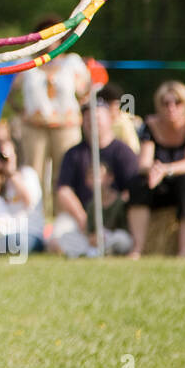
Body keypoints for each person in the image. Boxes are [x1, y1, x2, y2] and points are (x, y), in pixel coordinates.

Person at [127, 81, 185, 258]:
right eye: (166, 103)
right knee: (139, 184)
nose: (171, 107)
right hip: (161, 184)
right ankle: (137, 248)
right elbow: (143, 163)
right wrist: (154, 171)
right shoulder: (149, 126)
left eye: (177, 102)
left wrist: (165, 169)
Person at [14, 20, 91, 213]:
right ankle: (34, 218)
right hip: (34, 127)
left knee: (64, 175)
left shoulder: (72, 62)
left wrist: (79, 111)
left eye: (53, 35)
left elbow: (86, 91)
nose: (49, 41)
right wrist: (21, 111)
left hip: (66, 127)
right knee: (33, 173)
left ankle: (64, 218)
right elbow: (10, 92)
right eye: (45, 35)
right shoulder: (28, 63)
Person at [50, 89, 140, 252]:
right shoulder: (73, 153)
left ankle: (97, 248)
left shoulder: (123, 152)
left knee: (123, 240)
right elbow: (64, 190)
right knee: (58, 237)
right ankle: (89, 249)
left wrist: (110, 215)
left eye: (97, 117)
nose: (92, 122)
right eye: (87, 118)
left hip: (114, 222)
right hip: (81, 220)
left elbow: (131, 191)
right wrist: (85, 221)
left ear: (110, 119)